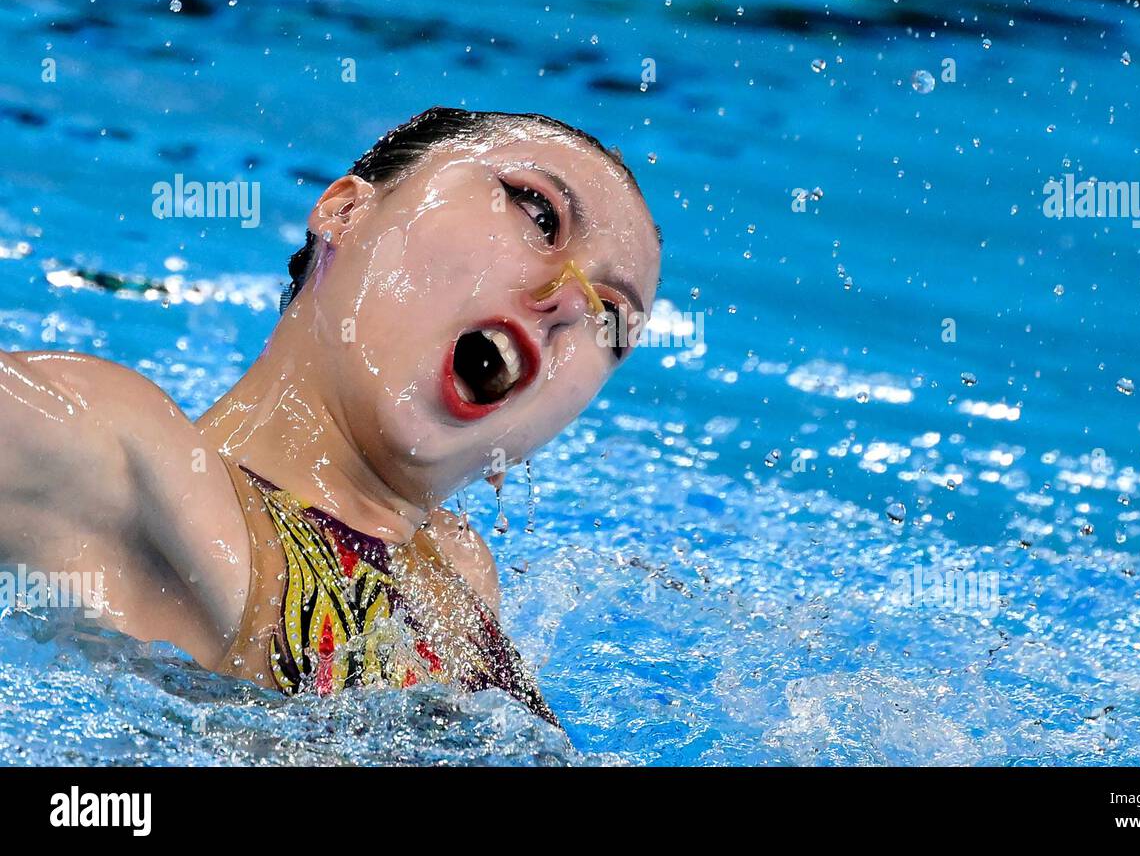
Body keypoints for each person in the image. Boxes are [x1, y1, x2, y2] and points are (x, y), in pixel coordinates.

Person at [0, 106, 660, 726]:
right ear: (345, 212)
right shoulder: (118, 458)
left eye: (610, 319)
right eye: (539, 214)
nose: (572, 305)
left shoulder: (461, 574)